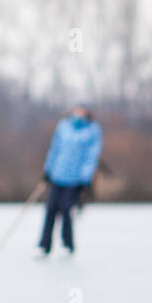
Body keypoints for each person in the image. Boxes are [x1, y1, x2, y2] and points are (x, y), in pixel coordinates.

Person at [38, 104, 103, 255]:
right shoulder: (64, 125)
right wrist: (48, 169)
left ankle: (67, 245)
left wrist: (85, 177)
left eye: (83, 109)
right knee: (51, 208)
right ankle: (44, 245)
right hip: (58, 173)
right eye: (77, 108)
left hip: (76, 178)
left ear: (87, 112)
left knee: (66, 209)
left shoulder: (92, 129)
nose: (79, 112)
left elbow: (92, 156)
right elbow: (55, 148)